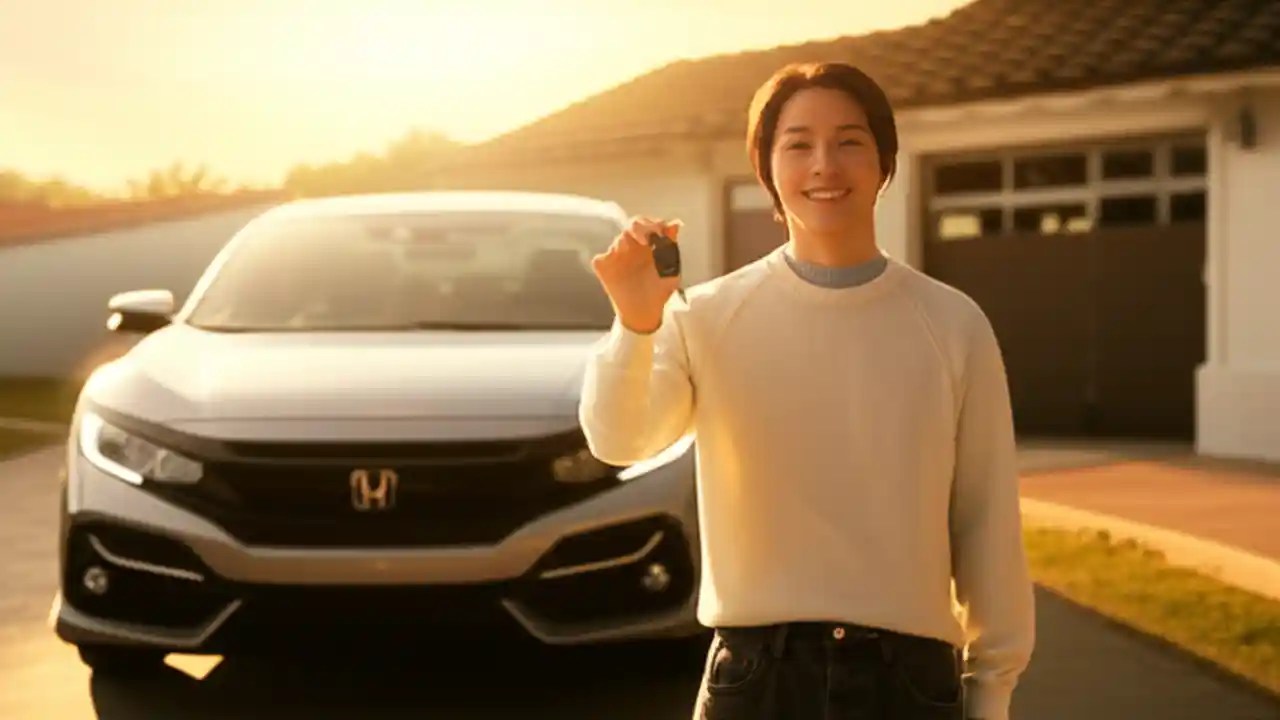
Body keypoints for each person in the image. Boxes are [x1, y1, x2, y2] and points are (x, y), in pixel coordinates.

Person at [579, 61, 1036, 720]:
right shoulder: (705, 316)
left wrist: (991, 690)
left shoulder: (951, 324)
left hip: (908, 685)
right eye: (799, 144)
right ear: (767, 170)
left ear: (884, 164)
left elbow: (986, 521)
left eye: (850, 140)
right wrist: (635, 322)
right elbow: (619, 442)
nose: (825, 164)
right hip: (754, 682)